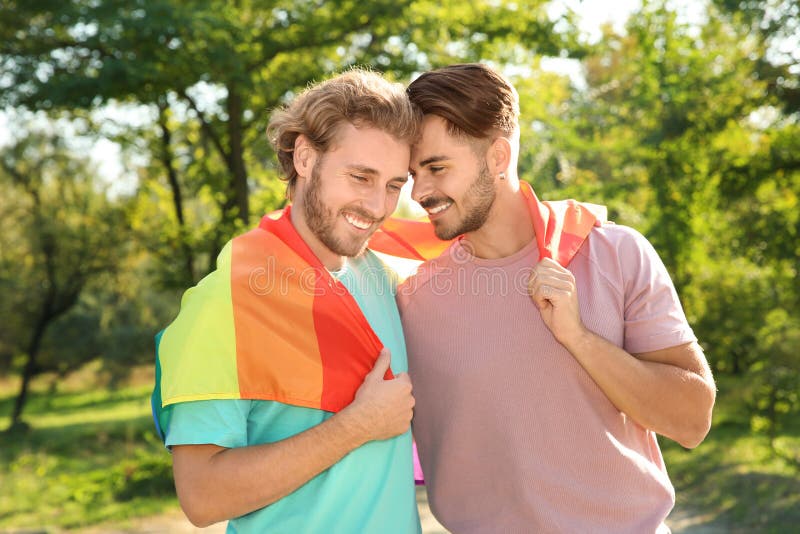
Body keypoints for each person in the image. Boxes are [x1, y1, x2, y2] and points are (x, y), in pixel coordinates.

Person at [399, 63, 716, 533]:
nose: (420, 191)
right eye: (412, 174)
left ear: (498, 156)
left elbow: (691, 421)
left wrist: (579, 339)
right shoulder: (412, 301)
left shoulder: (615, 253)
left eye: (436, 168)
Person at [151, 69, 422, 533]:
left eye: (394, 185)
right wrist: (356, 426)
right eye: (360, 177)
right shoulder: (226, 303)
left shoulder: (382, 277)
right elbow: (202, 497)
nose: (378, 206)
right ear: (305, 157)